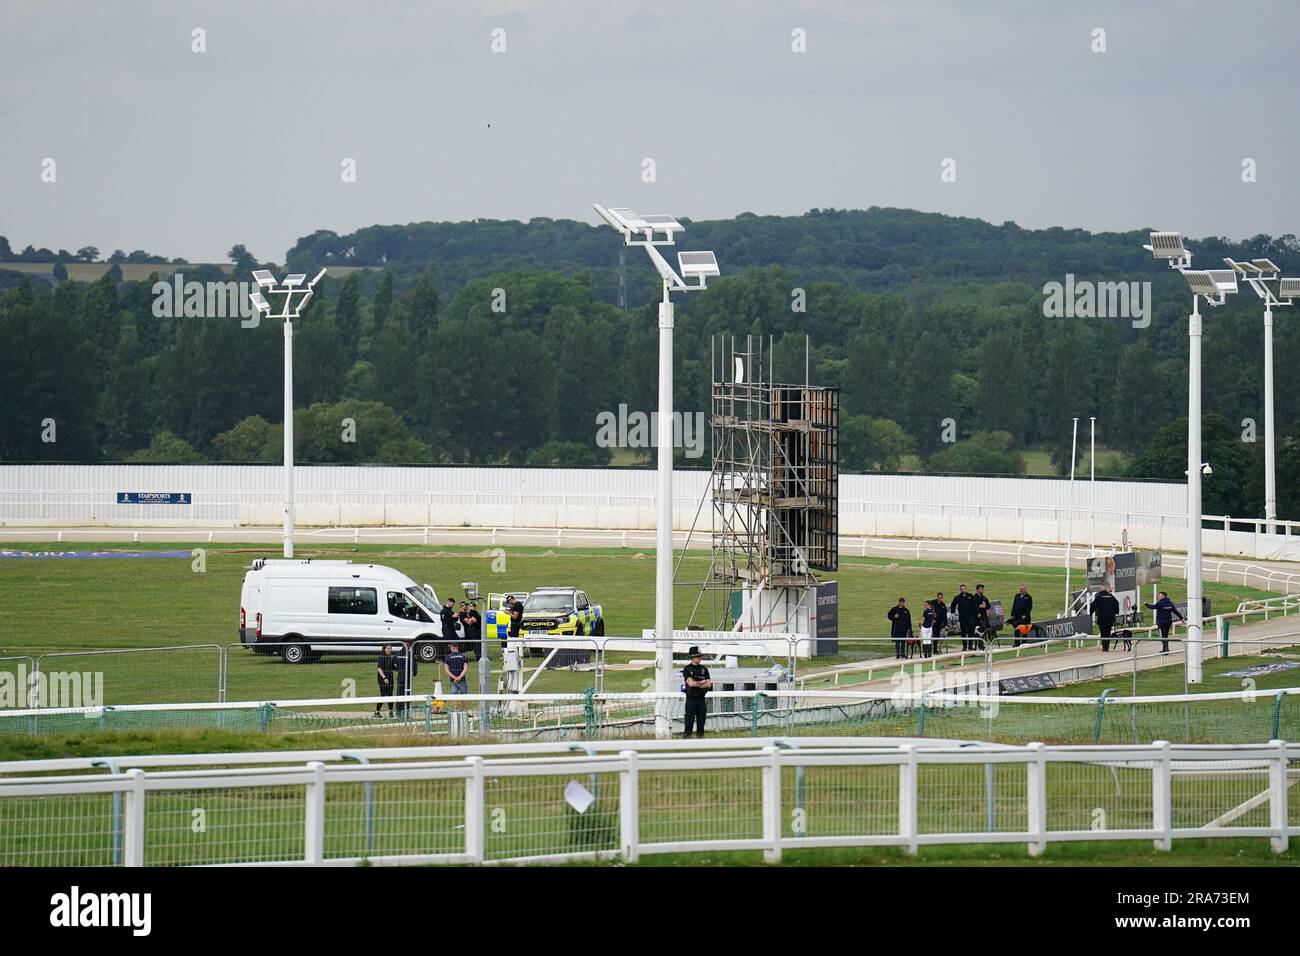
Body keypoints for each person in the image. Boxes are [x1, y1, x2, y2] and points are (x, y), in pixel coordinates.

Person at [682, 646, 713, 737]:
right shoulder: (687, 669)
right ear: (693, 657)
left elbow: (708, 684)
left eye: (700, 656)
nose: (700, 658)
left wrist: (697, 683)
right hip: (691, 699)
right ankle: (687, 741)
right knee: (689, 723)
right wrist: (701, 682)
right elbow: (690, 684)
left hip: (701, 699)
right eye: (698, 656)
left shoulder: (704, 669)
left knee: (701, 723)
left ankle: (700, 741)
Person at [950, 584, 979, 652]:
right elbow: (953, 605)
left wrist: (978, 613)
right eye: (961, 589)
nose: (963, 590)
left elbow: (975, 605)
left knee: (970, 632)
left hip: (970, 617)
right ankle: (964, 646)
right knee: (963, 632)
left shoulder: (970, 596)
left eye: (964, 589)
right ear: (960, 590)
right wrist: (954, 611)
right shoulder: (958, 597)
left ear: (966, 589)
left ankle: (970, 646)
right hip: (962, 617)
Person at [1092, 587, 1120, 652]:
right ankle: (1106, 646)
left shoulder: (1099, 597)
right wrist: (1116, 612)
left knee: (1103, 632)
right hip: (1110, 618)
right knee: (1108, 631)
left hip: (1102, 618)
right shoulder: (1111, 597)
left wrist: (1091, 613)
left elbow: (1093, 606)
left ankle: (1104, 647)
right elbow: (1117, 603)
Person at [374, 643, 397, 718]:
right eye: (388, 648)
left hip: (390, 677)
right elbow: (379, 669)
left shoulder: (390, 657)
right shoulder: (381, 657)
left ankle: (390, 712)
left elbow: (394, 667)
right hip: (382, 678)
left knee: (390, 694)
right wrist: (384, 678)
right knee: (383, 695)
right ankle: (377, 712)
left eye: (390, 648)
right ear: (384, 649)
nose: (389, 650)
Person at [973, 584, 992, 650]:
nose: (982, 590)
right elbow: (973, 606)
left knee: (984, 631)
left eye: (983, 589)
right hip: (977, 618)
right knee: (978, 631)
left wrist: (985, 606)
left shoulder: (984, 598)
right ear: (977, 589)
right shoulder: (974, 598)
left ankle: (982, 645)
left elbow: (989, 606)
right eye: (981, 589)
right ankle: (977, 645)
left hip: (984, 617)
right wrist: (979, 607)